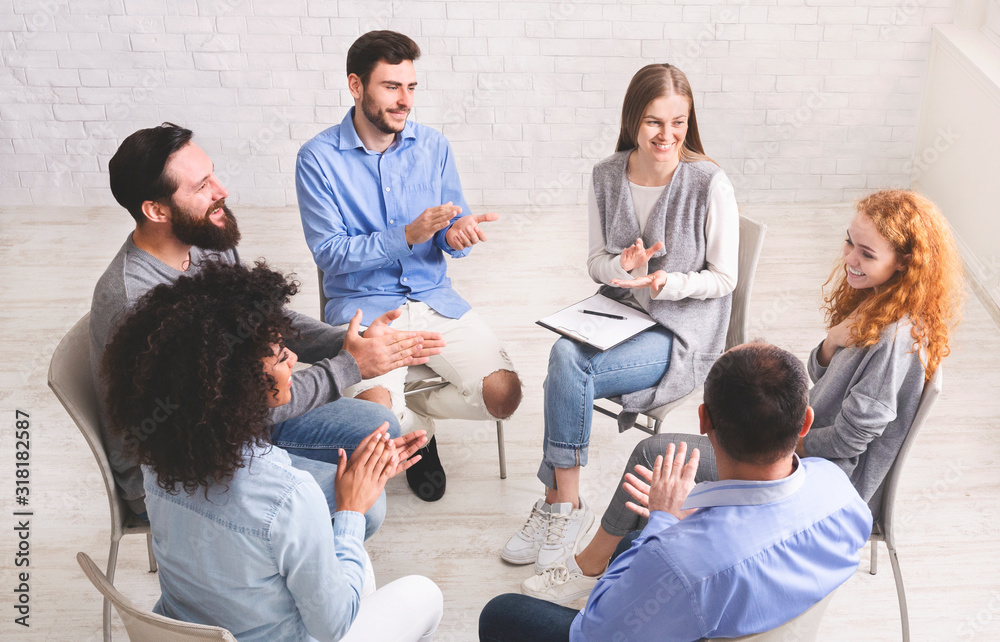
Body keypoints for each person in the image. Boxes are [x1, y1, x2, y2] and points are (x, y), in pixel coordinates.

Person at [524, 188, 963, 604]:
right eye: (850, 243)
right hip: (802, 448)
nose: (850, 259)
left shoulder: (895, 338)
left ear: (906, 261)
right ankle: (630, 568)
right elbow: (817, 375)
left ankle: (588, 569)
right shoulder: (881, 303)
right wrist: (832, 341)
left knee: (655, 455)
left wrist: (781, 439)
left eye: (867, 254)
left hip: (822, 476)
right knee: (670, 460)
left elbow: (850, 441)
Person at [90, 123, 443, 533]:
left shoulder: (204, 240)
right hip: (180, 469)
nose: (221, 191)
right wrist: (348, 367)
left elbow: (261, 318)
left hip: (235, 418)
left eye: (213, 175)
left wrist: (350, 343)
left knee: (377, 427)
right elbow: (231, 412)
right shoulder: (138, 302)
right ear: (156, 210)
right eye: (202, 186)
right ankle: (274, 587)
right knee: (368, 508)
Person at [101, 260, 443, 642]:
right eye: (281, 357)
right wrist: (350, 510)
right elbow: (332, 627)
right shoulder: (290, 496)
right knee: (424, 593)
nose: (295, 360)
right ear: (242, 387)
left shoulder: (156, 461)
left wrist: (365, 480)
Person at [502, 63, 738, 570]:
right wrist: (624, 265)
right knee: (565, 351)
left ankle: (559, 503)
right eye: (655, 122)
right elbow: (596, 264)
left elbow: (724, 279)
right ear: (633, 120)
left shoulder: (709, 183)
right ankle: (565, 502)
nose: (667, 135)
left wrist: (666, 282)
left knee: (571, 364)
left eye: (679, 122)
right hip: (619, 315)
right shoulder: (607, 175)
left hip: (682, 332)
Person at [480, 343, 873, 641]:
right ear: (805, 421)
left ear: (703, 420)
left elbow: (597, 632)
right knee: (631, 540)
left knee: (499, 613)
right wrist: (683, 527)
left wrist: (663, 527)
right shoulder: (840, 491)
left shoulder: (678, 562)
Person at [296, 30, 522, 502]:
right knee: (373, 426)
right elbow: (330, 254)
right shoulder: (317, 159)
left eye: (411, 87)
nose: (404, 101)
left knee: (505, 395)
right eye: (391, 87)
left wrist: (454, 236)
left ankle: (416, 412)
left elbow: (449, 226)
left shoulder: (433, 146)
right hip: (366, 309)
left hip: (434, 298)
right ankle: (417, 431)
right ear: (356, 87)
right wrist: (406, 236)